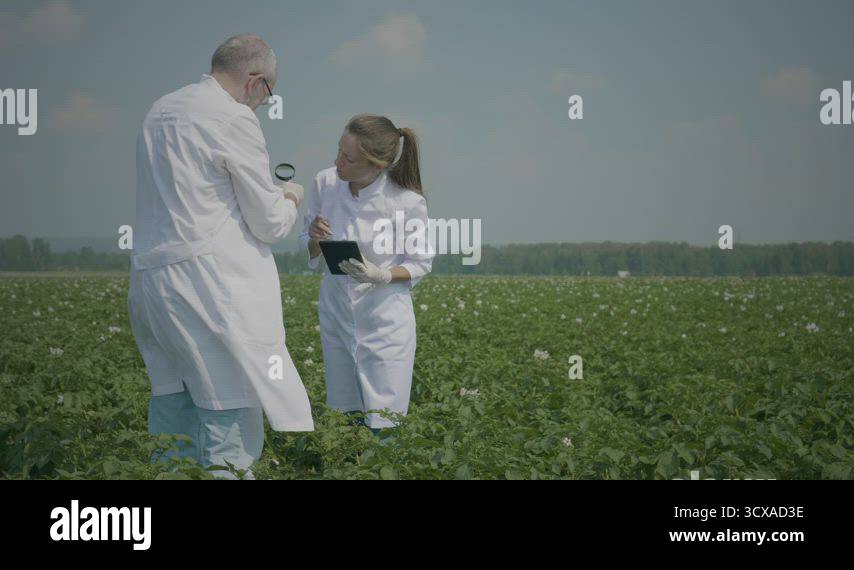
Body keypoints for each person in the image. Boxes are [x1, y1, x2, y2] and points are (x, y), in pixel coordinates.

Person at [128, 34, 313, 479]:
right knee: (229, 407)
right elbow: (268, 223)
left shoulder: (160, 109)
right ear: (255, 81)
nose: (263, 104)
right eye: (268, 94)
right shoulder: (233, 118)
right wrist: (290, 196)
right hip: (210, 284)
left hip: (153, 279)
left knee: (174, 405)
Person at [299, 114, 434, 437]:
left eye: (348, 158)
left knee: (383, 422)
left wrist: (381, 275)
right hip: (337, 314)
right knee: (345, 416)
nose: (337, 162)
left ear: (376, 165)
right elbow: (307, 244)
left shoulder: (406, 202)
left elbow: (420, 262)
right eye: (339, 151)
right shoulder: (325, 183)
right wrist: (315, 239)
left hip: (383, 324)